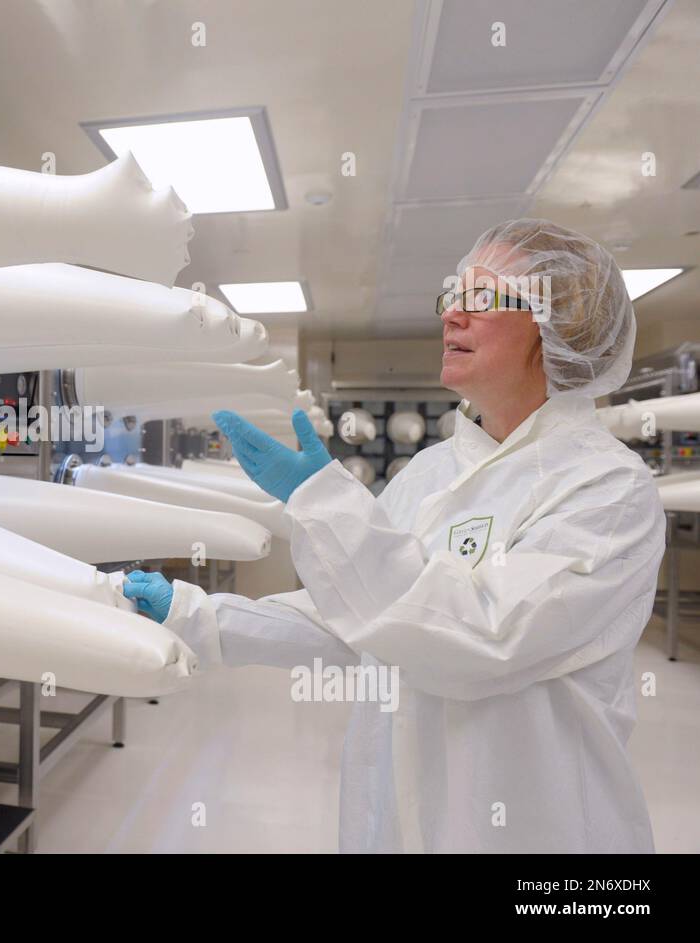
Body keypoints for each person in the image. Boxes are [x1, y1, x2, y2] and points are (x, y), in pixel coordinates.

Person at [124, 219, 664, 853]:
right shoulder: (435, 472)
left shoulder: (605, 489)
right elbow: (362, 621)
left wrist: (322, 502)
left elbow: (479, 639)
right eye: (451, 297)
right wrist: (199, 615)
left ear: (562, 326)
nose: (452, 316)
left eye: (482, 298)